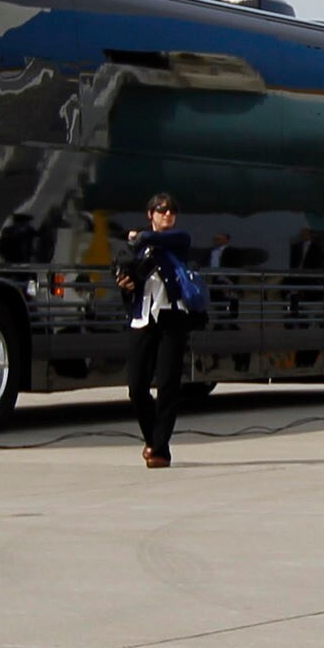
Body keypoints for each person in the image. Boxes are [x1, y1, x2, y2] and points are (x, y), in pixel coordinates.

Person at [116, 192, 200, 469]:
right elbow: (128, 279)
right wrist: (125, 284)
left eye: (171, 211)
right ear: (150, 214)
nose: (167, 215)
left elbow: (169, 240)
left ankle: (160, 450)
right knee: (137, 387)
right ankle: (152, 438)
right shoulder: (137, 249)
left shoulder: (177, 241)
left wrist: (141, 237)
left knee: (167, 385)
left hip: (172, 317)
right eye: (162, 210)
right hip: (142, 318)